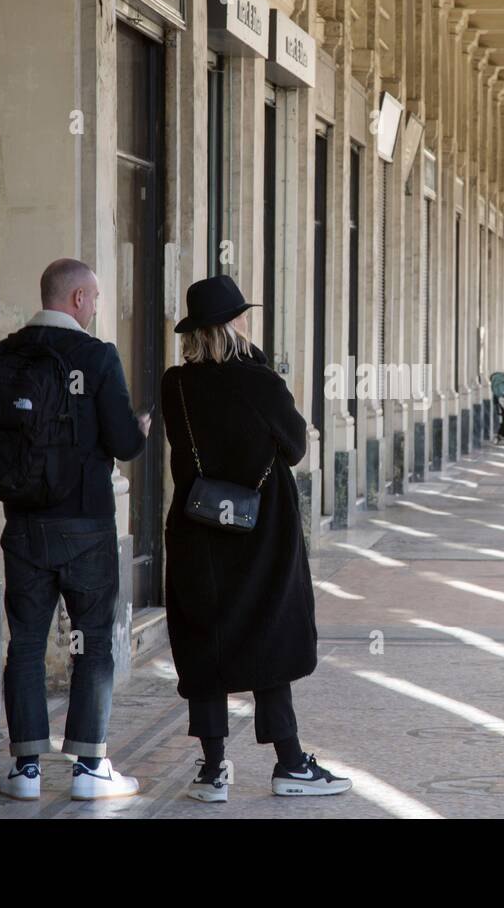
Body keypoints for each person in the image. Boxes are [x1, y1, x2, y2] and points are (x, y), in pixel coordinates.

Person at [0, 258, 151, 801]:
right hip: (87, 527)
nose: (95, 307)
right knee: (91, 645)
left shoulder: (1, 356)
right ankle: (90, 770)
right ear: (76, 300)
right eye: (92, 297)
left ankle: (25, 771)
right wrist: (137, 429)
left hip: (23, 527)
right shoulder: (97, 357)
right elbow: (121, 442)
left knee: (23, 643)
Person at [160, 276, 351, 803]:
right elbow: (294, 447)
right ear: (232, 325)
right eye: (242, 316)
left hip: (198, 529)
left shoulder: (175, 384)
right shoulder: (260, 382)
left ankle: (213, 771)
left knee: (205, 638)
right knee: (269, 633)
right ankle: (290, 763)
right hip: (260, 530)